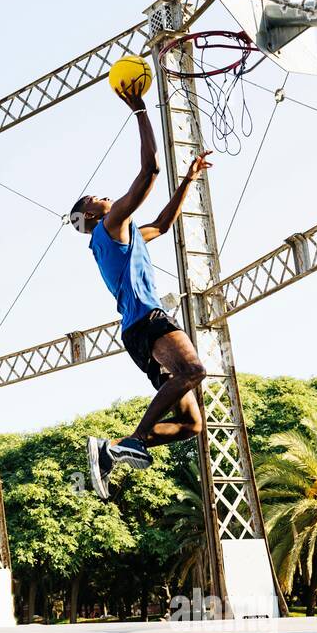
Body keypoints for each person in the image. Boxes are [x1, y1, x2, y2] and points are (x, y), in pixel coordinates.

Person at [69, 82, 212, 499]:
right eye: (96, 198)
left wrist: (187, 180)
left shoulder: (125, 236)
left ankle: (113, 451)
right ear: (89, 216)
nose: (105, 197)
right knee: (194, 371)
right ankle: (134, 438)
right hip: (148, 322)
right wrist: (140, 112)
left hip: (138, 332)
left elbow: (163, 224)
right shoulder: (110, 228)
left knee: (191, 426)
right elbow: (148, 173)